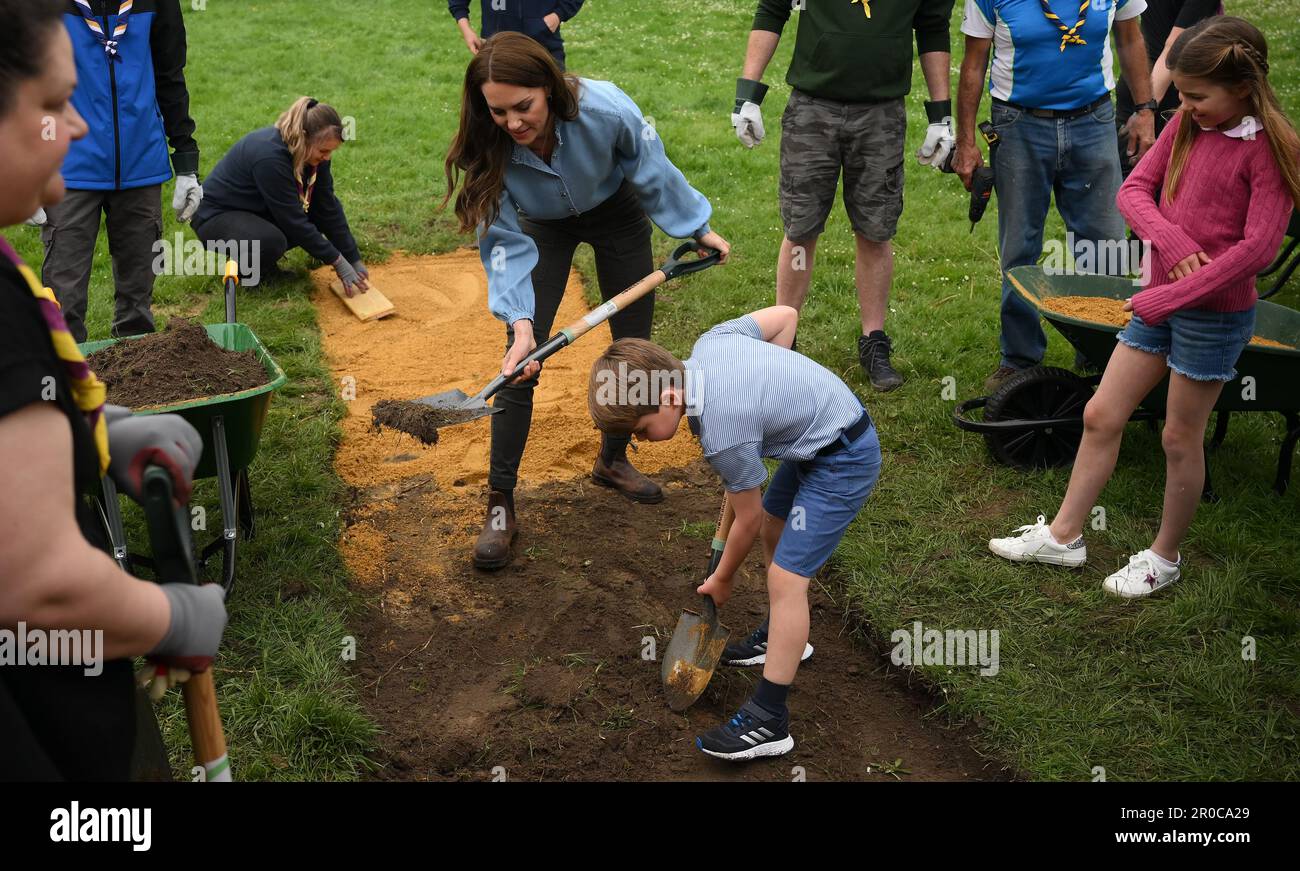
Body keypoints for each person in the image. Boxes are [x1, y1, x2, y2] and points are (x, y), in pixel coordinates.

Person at [987, 17, 1300, 599]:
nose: (1184, 105)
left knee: (1180, 438)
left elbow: (1255, 251)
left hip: (1213, 315)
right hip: (1157, 302)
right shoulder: (1184, 124)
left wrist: (1169, 294)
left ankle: (1165, 556)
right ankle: (1064, 537)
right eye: (1181, 94)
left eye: (1198, 95)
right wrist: (1175, 246)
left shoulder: (1271, 151)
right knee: (1101, 415)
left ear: (1243, 88)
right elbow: (1132, 191)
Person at [0, 0, 227, 780]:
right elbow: (42, 584)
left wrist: (93, 429)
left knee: (137, 304)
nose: (78, 122)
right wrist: (172, 615)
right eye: (54, 106)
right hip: (37, 734)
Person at [443, 33, 731, 570]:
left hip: (616, 211)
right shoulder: (491, 141)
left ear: (548, 88)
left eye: (523, 107)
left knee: (633, 351)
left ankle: (612, 460)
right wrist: (522, 323)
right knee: (519, 364)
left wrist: (697, 226)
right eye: (498, 110)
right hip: (543, 227)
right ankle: (500, 504)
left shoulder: (606, 109)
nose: (512, 122)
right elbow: (502, 244)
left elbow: (652, 167)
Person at [587, 306, 882, 760]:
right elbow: (785, 315)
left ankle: (769, 719)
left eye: (640, 432)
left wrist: (722, 579)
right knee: (775, 529)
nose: (639, 443)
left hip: (843, 457)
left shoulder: (723, 433)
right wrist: (771, 401)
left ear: (667, 399)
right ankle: (783, 637)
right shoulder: (711, 343)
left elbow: (745, 516)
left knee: (787, 579)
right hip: (820, 435)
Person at [730, 0, 958, 391]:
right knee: (800, 227)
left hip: (882, 112)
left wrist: (941, 114)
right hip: (812, 106)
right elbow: (772, 10)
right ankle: (784, 337)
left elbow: (933, 28)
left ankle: (874, 342)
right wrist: (747, 93)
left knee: (875, 229)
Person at [954, 0, 1158, 392]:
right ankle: (1019, 358)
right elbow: (974, 64)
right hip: (1018, 124)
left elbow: (1130, 39)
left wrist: (1146, 109)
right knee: (1020, 246)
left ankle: (1100, 349)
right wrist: (965, 141)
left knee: (1105, 243)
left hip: (1094, 120)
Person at [38, 0, 202, 343]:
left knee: (137, 307)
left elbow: (170, 76)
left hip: (141, 164)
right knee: (62, 304)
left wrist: (186, 162)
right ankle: (66, 390)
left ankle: (137, 388)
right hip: (67, 168)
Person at [193, 97, 370, 295]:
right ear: (304, 137)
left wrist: (352, 257)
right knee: (272, 240)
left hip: (253, 210)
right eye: (324, 150)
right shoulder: (269, 157)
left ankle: (263, 263)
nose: (327, 157)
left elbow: (327, 206)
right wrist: (337, 262)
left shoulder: (313, 156)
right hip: (215, 216)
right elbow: (292, 220)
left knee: (315, 216)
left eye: (331, 151)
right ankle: (248, 273)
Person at [1115, 0, 1222, 174]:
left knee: (1131, 182)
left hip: (1140, 86)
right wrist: (1145, 108)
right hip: (1164, 97)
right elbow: (1174, 47)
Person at [449, 0, 584, 69]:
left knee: (554, 106)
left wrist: (557, 15)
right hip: (497, 46)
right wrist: (466, 30)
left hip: (543, 42)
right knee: (498, 109)